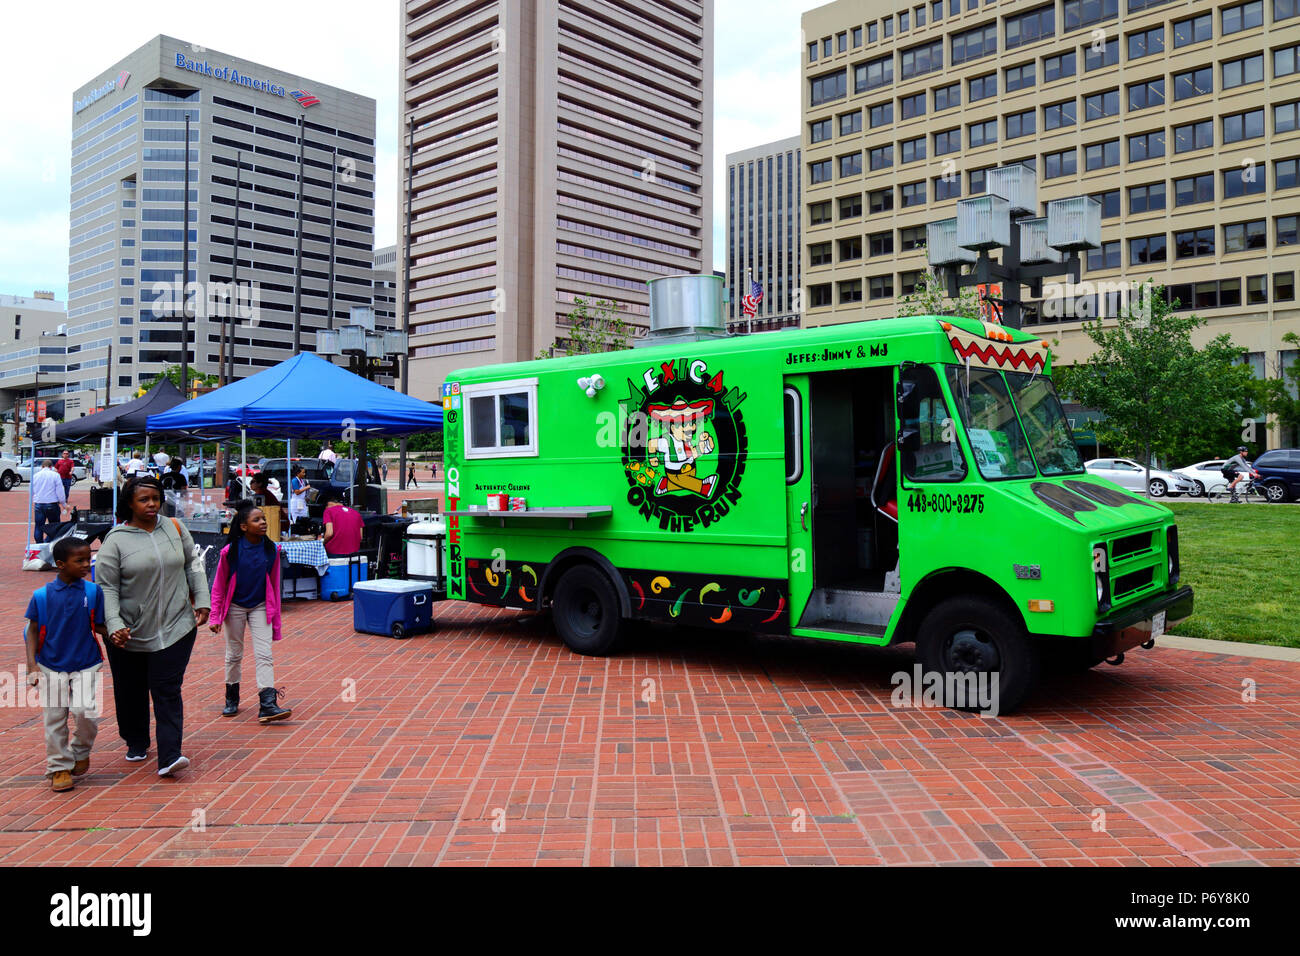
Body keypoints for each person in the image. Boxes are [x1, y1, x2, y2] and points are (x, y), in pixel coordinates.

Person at [95, 475, 210, 777]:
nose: (151, 504)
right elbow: (107, 587)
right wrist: (115, 623)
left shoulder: (174, 527)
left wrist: (202, 599)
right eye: (143, 500)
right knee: (130, 689)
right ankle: (135, 740)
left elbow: (192, 564)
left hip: (176, 626)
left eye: (155, 499)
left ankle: (170, 755)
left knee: (166, 688)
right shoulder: (115, 540)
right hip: (128, 632)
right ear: (129, 504)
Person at [23, 537, 109, 792]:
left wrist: (118, 632)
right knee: (54, 717)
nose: (86, 564)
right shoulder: (41, 596)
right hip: (50, 664)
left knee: (85, 713)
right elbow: (32, 630)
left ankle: (80, 751)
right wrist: (32, 665)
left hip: (86, 663)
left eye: (88, 558)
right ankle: (59, 767)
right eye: (79, 560)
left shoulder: (93, 592)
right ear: (60, 564)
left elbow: (100, 625)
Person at [208, 503, 291, 723]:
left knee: (265, 654)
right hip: (234, 605)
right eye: (257, 520)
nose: (263, 522)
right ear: (244, 526)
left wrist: (275, 613)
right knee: (234, 654)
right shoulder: (231, 551)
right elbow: (218, 586)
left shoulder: (271, 549)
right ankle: (231, 698)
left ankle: (267, 703)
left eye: (263, 519)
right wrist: (215, 616)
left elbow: (273, 582)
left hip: (261, 605)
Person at [31, 459, 69, 544]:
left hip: (39, 503)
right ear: (51, 467)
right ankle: (49, 541)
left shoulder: (35, 475)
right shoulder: (55, 475)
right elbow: (60, 491)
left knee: (38, 526)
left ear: (42, 466)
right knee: (54, 525)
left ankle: (39, 544)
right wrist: (63, 503)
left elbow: (32, 490)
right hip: (51, 503)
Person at [321, 490, 365, 556]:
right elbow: (360, 537)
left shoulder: (328, 511)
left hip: (334, 552)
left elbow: (329, 533)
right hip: (354, 553)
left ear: (327, 505)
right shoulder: (356, 513)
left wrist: (323, 542)